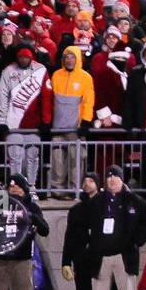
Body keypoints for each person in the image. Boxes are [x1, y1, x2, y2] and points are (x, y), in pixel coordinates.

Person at [0, 44, 51, 186]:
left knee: (32, 158)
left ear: (31, 57)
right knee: (15, 157)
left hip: (34, 124)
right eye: (21, 57)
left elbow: (46, 98)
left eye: (26, 57)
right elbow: (3, 97)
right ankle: (16, 188)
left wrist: (46, 121)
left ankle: (31, 188)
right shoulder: (8, 71)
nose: (23, 60)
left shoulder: (41, 70)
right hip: (13, 124)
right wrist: (2, 121)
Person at [61, 172, 100, 290]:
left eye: (91, 181)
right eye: (85, 181)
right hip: (81, 260)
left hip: (100, 260)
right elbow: (69, 237)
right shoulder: (76, 210)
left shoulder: (105, 206)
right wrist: (65, 262)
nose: (87, 184)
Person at [49, 46, 93, 192]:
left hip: (75, 128)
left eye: (72, 57)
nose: (69, 60)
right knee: (57, 161)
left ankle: (75, 188)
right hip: (57, 128)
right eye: (66, 57)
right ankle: (58, 190)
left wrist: (86, 121)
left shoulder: (85, 77)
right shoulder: (56, 75)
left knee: (76, 160)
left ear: (78, 59)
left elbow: (88, 102)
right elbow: (50, 100)